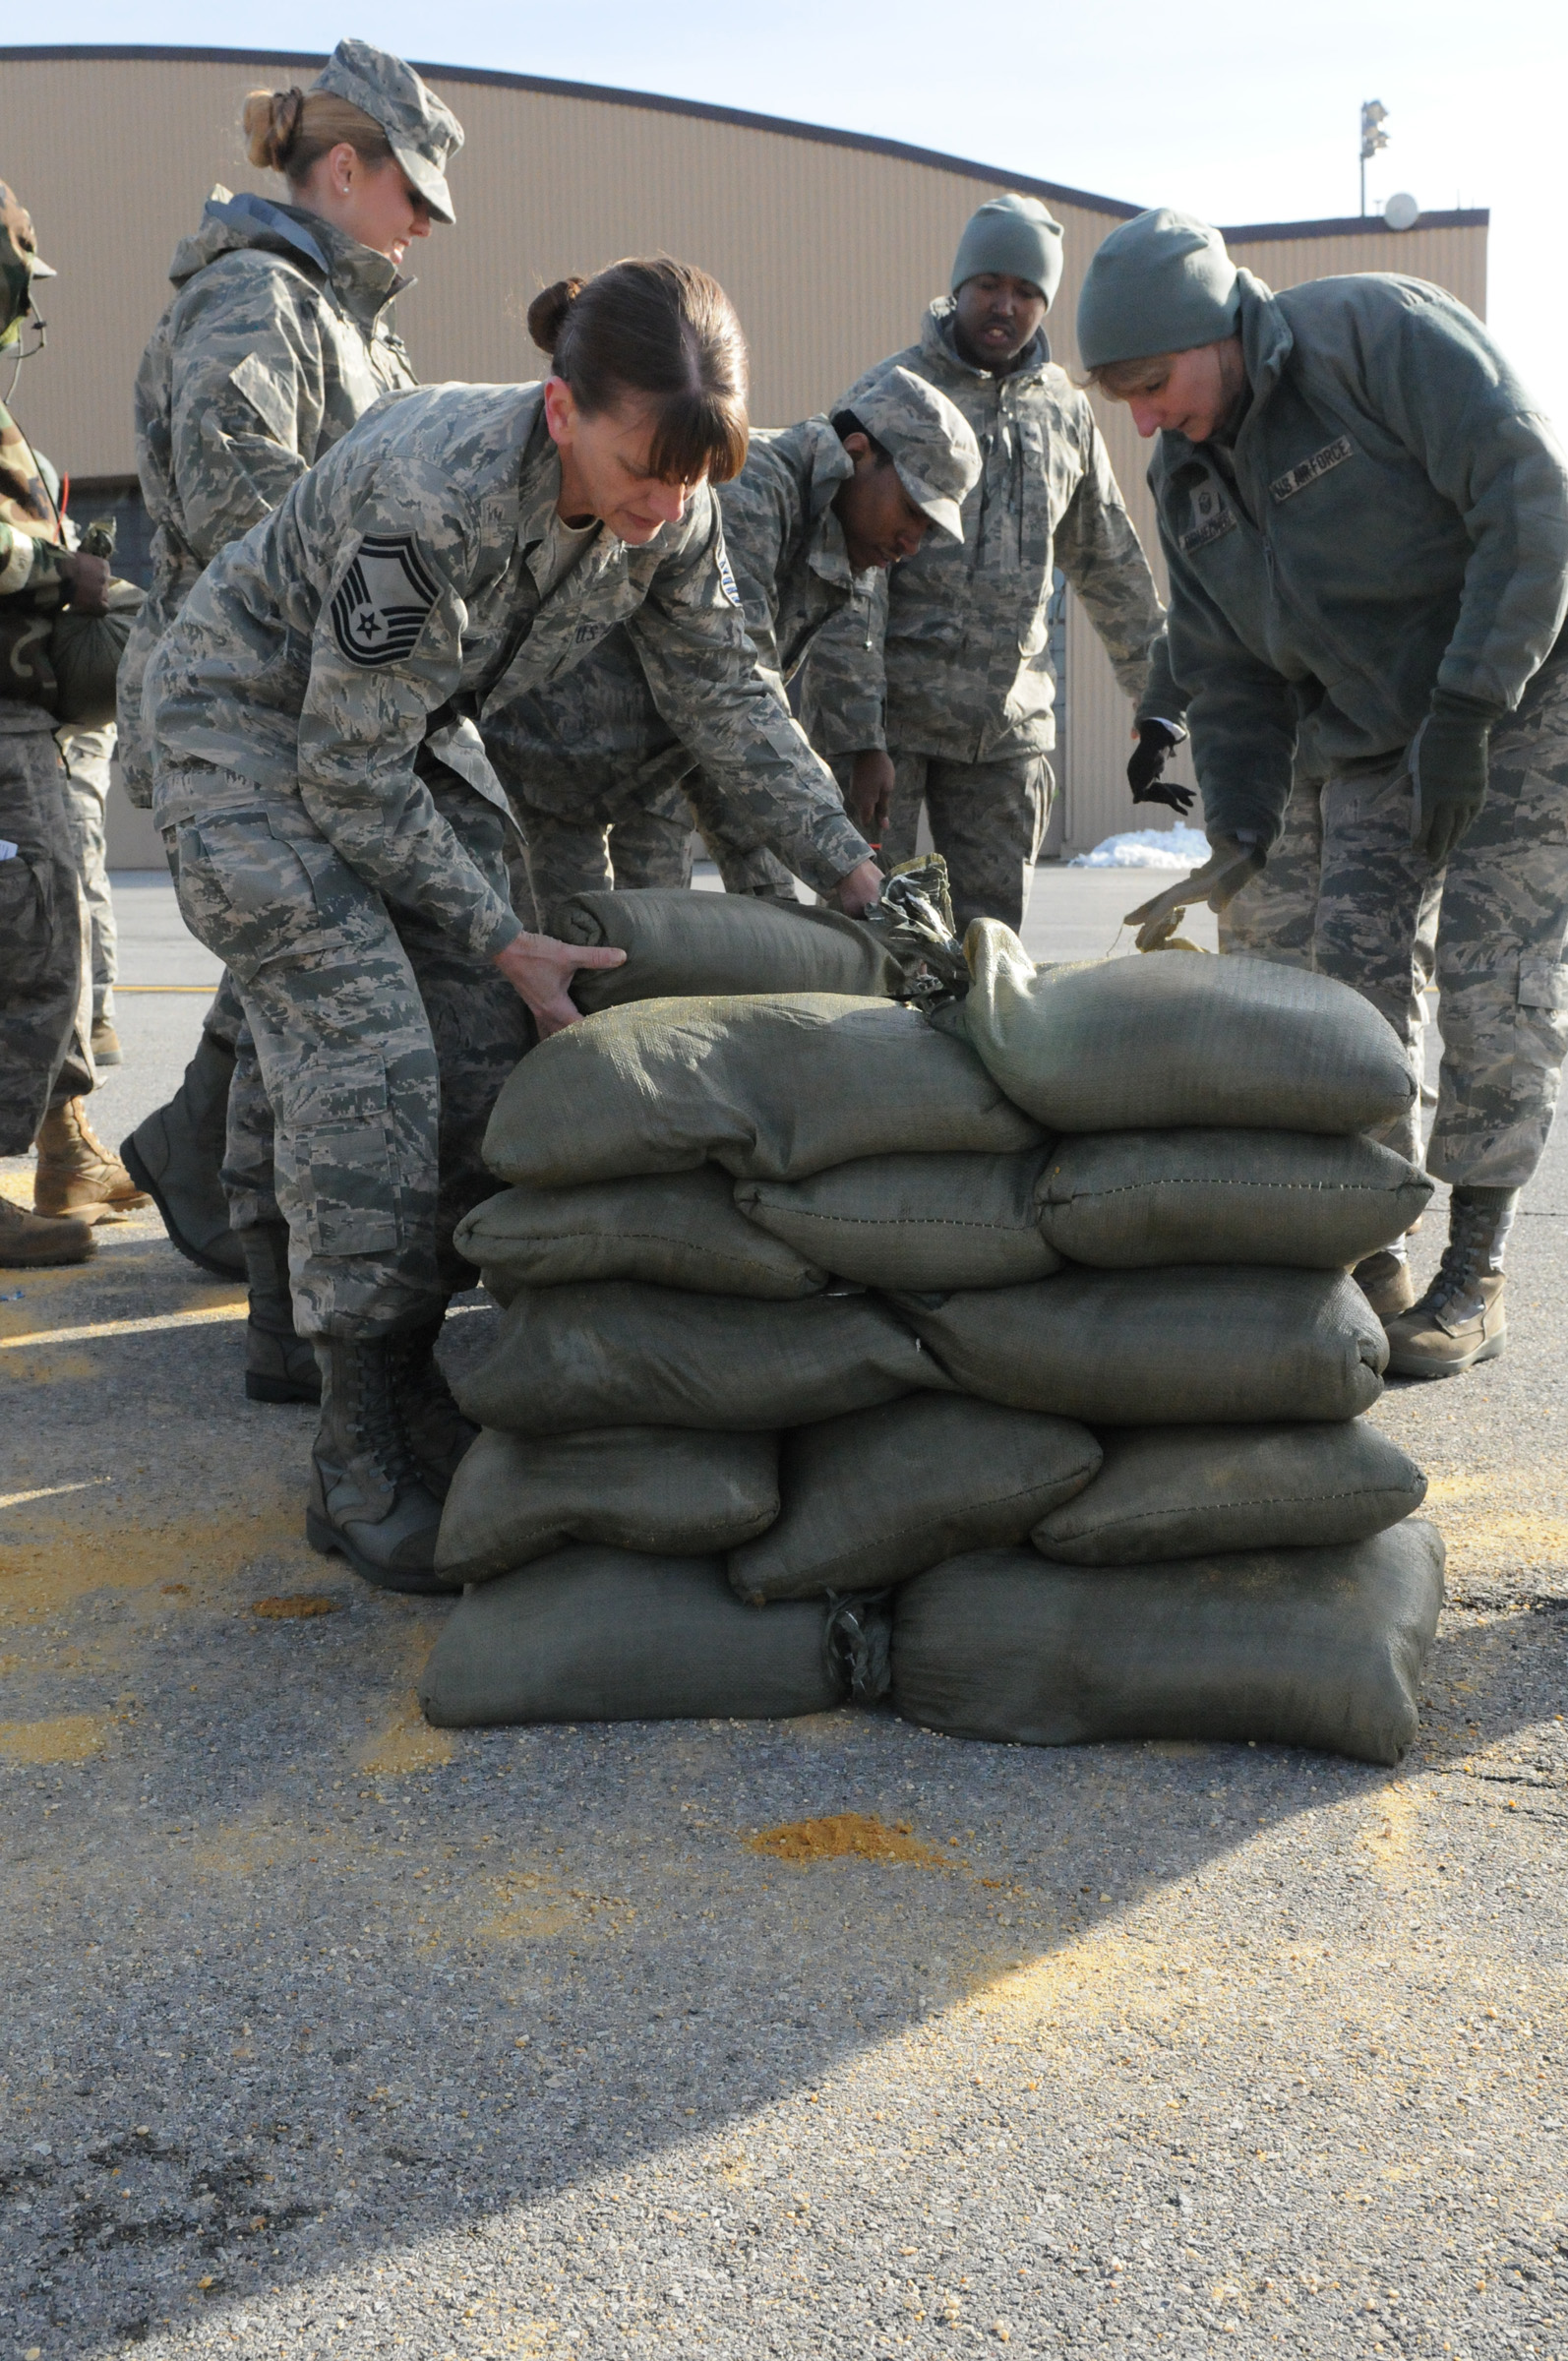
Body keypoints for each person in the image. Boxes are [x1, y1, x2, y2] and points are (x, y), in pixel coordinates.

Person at [145, 257, 881, 1592]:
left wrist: (853, 875)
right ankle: (353, 1454)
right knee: (366, 1045)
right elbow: (340, 770)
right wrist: (500, 929)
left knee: (484, 1055)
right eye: (640, 469)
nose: (661, 510)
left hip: (399, 741)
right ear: (562, 415)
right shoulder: (430, 494)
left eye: (692, 478)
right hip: (244, 734)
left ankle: (404, 1366)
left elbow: (731, 702)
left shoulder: (678, 510)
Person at [1077, 206, 1568, 1376]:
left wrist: (1466, 710)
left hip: (1523, 693)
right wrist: (1241, 826)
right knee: (1345, 1001)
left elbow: (1533, 511)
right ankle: (1372, 1243)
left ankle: (1476, 1267)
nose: (1144, 418)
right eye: (1124, 399)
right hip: (1359, 730)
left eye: (1152, 384)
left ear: (1219, 330)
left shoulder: (1377, 338)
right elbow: (1225, 663)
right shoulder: (1182, 463)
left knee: (1494, 981)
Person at [117, 39, 461, 1410]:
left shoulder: (342, 312)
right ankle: (277, 1297)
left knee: (278, 1009)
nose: (427, 222)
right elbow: (235, 496)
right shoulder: (261, 302)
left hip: (305, 706)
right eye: (411, 190)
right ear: (342, 167)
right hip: (251, 714)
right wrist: (378, 643)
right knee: (311, 1012)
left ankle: (231, 1223)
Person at [483, 366, 981, 926]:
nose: (913, 543)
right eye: (913, 511)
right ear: (858, 452)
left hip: (651, 775)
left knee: (650, 968)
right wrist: (845, 865)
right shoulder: (751, 496)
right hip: (544, 768)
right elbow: (737, 705)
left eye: (930, 529)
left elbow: (739, 738)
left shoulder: (842, 540)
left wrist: (780, 906)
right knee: (562, 971)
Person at [800, 191, 1170, 933]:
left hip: (1005, 734)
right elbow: (843, 577)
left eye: (1028, 292)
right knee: (867, 938)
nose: (1005, 305)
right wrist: (857, 732)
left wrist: (1156, 691)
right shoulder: (889, 398)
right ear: (959, 287)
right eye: (990, 286)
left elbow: (1108, 559)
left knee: (991, 947)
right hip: (889, 729)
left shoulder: (1065, 409)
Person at [0, 178, 148, 1270]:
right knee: (35, 929)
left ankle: (63, 1143)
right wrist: (57, 570)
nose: (24, 307)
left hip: (21, 710)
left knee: (49, 929)